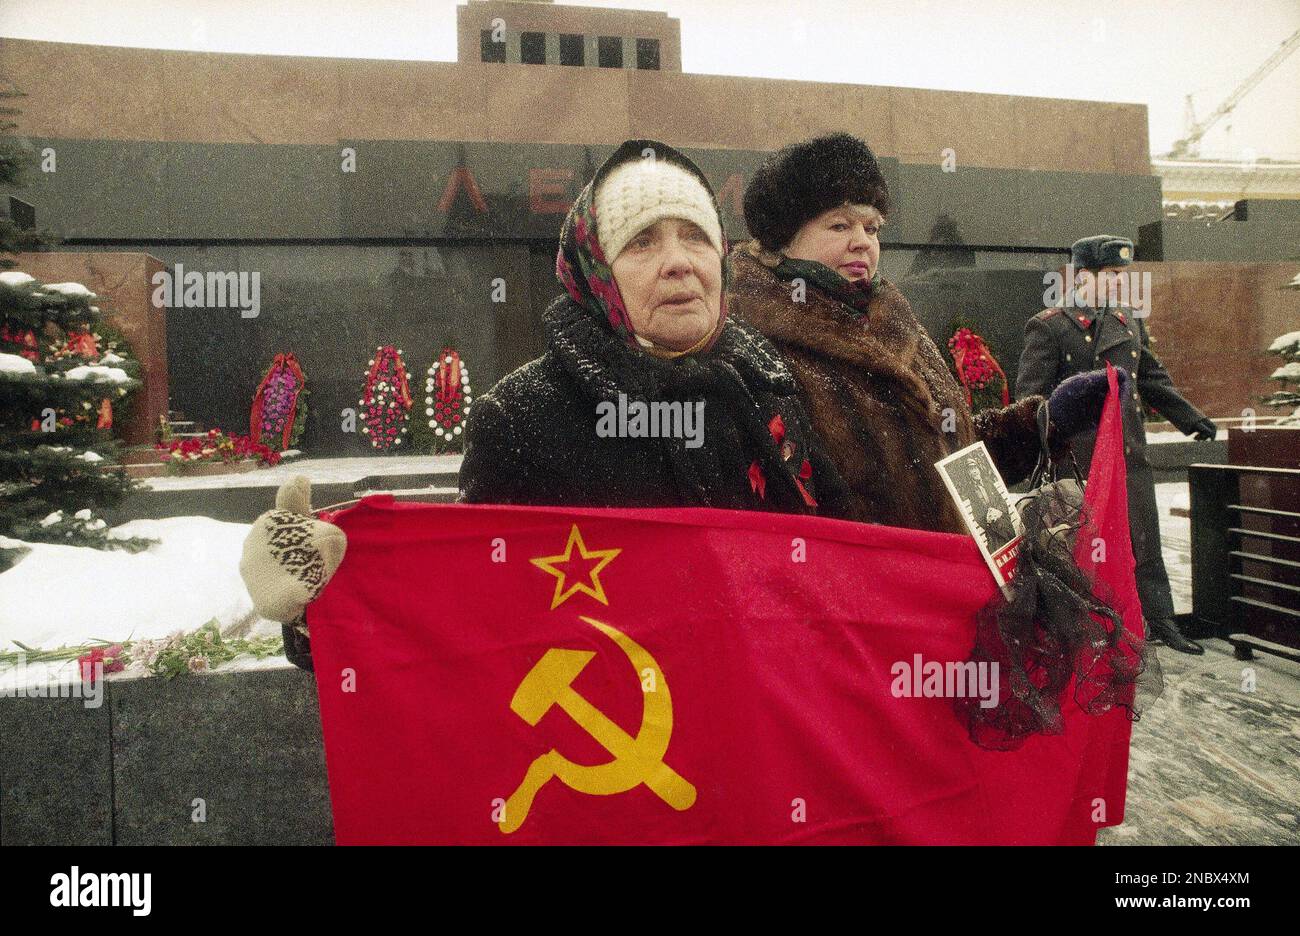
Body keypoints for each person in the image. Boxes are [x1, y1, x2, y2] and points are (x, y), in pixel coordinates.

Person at [240, 139, 847, 669]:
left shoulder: (772, 383)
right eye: (641, 242)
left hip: (780, 746)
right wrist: (326, 601)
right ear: (597, 272)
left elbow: (852, 562)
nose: (679, 262)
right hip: (636, 764)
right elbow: (469, 607)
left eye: (696, 236)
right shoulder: (527, 414)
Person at [729, 132, 1111, 535]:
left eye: (872, 228)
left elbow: (951, 458)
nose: (862, 242)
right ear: (784, 239)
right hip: (867, 591)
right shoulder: (755, 345)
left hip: (950, 582)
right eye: (839, 225)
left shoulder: (895, 322)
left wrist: (1043, 426)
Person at [1016, 234, 1216, 655]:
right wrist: (1051, 440)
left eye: (1121, 275)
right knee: (1082, 545)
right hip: (1080, 460)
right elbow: (1031, 400)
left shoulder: (1128, 321)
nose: (1119, 283)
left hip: (1128, 452)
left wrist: (1189, 418)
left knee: (1143, 538)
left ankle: (1160, 621)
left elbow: (1152, 378)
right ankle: (1084, 628)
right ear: (1083, 275)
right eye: (1111, 275)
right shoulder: (1050, 325)